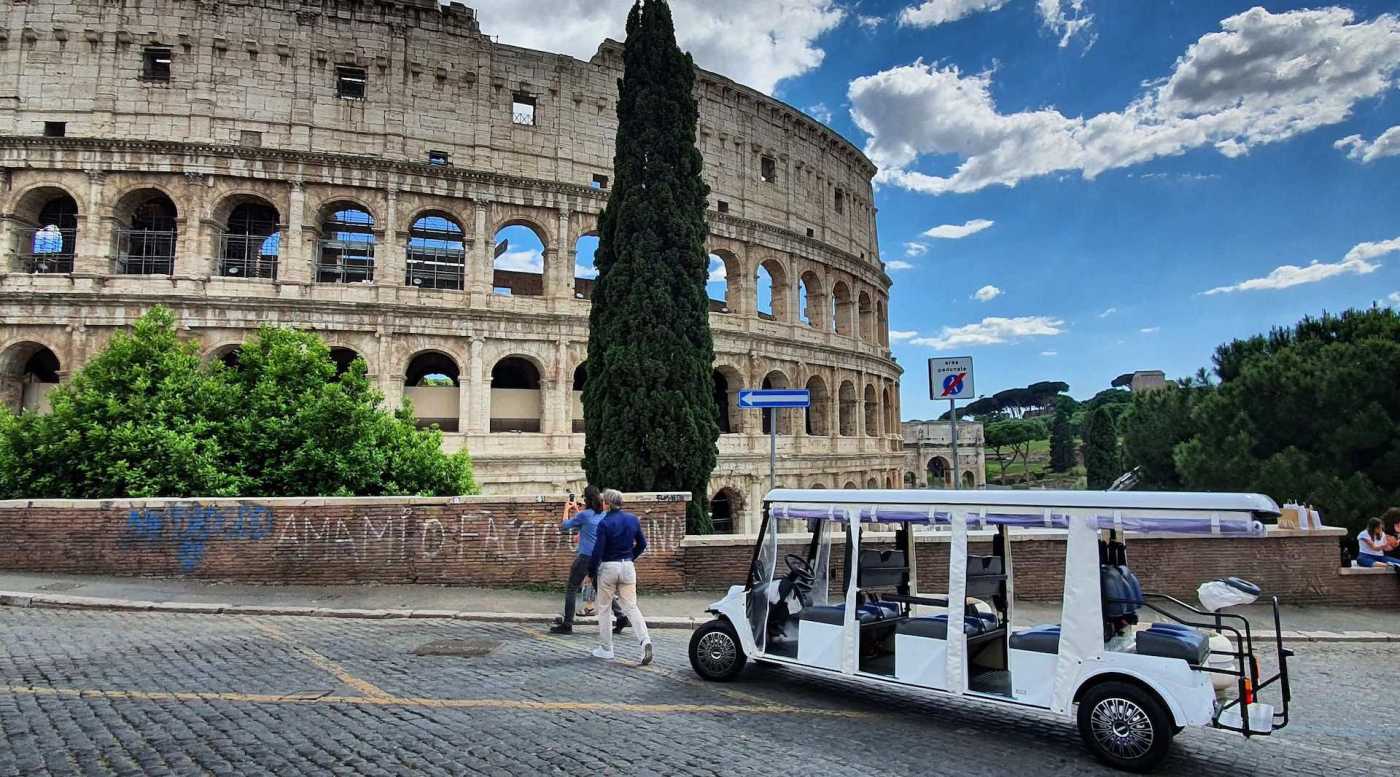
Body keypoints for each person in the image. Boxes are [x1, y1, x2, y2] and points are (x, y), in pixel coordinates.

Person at [589, 488, 653, 665]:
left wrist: (591, 571)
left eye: (604, 501)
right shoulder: (632, 519)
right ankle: (645, 640)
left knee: (604, 608)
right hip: (628, 565)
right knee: (631, 607)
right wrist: (631, 556)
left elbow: (597, 551)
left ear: (607, 503)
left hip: (609, 567)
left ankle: (606, 649)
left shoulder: (604, 523)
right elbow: (642, 543)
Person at [551, 486, 624, 634]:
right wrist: (579, 511)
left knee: (572, 587)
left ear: (586, 499)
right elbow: (589, 524)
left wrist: (567, 508)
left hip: (585, 557)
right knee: (602, 589)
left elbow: (564, 526)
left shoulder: (585, 515)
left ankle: (567, 624)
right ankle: (621, 616)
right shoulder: (603, 514)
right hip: (600, 557)